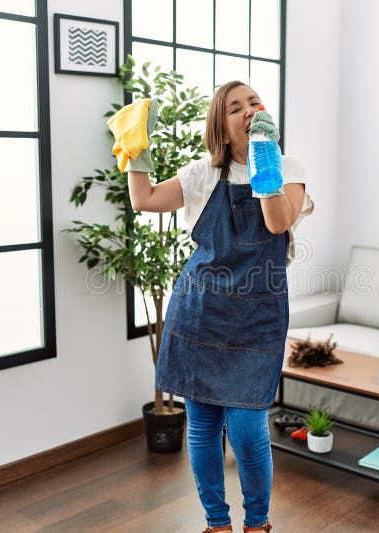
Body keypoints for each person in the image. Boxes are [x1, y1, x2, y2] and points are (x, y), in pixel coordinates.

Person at [116, 81, 313, 533]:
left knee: (247, 432)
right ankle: (217, 524)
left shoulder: (289, 167)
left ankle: (258, 524)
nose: (249, 110)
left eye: (254, 103)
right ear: (220, 129)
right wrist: (135, 151)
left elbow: (277, 220)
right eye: (235, 108)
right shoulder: (202, 174)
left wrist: (265, 153)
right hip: (199, 311)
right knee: (202, 429)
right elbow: (143, 200)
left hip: (259, 316)